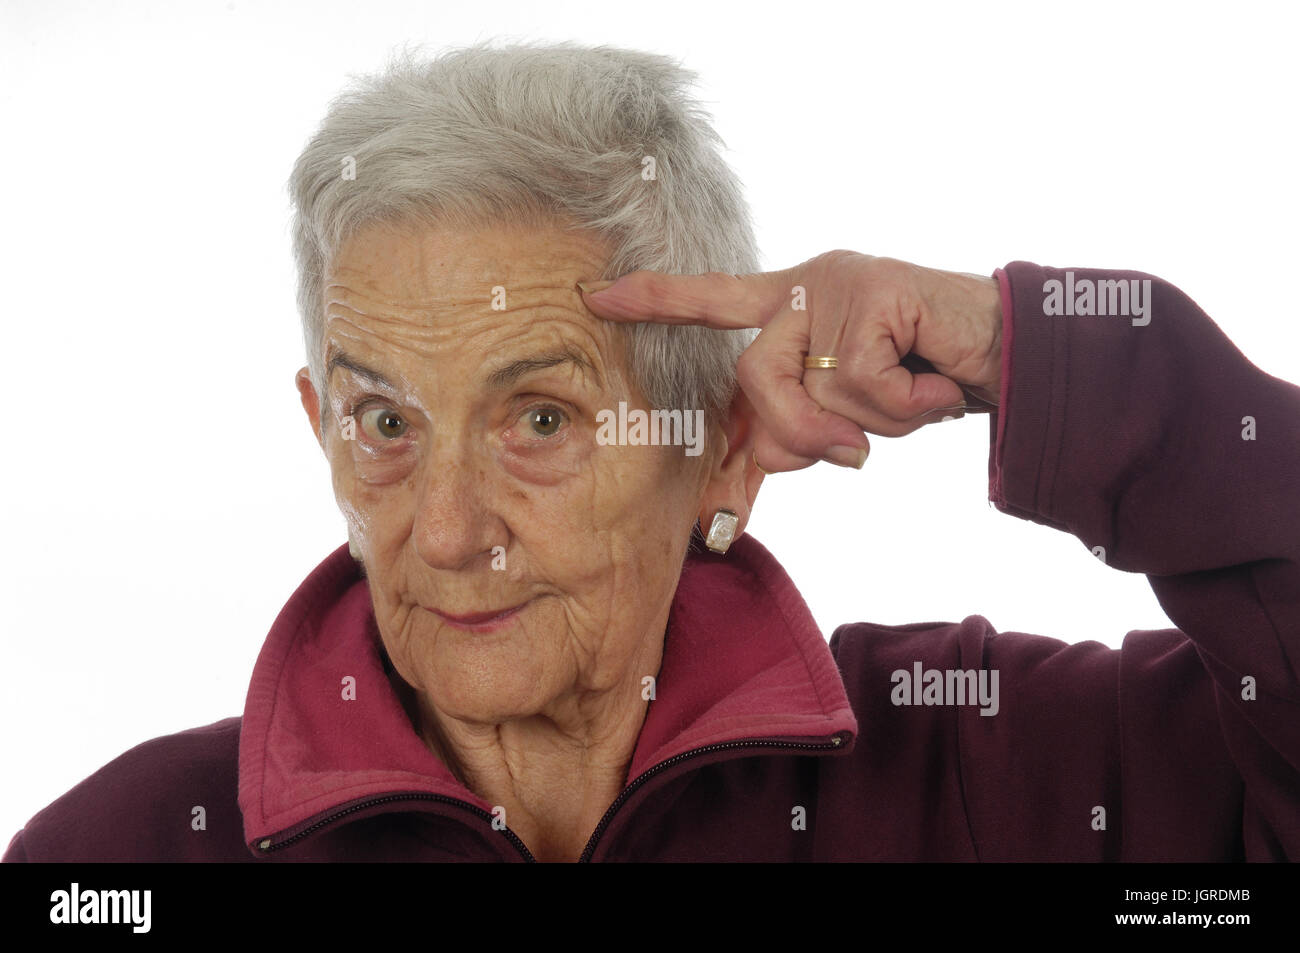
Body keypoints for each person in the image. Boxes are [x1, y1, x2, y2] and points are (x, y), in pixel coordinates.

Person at [5, 41, 1296, 863]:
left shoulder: (990, 759)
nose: (448, 531)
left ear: (724, 449)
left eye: (544, 419)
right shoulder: (130, 851)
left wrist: (1042, 356)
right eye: (388, 422)